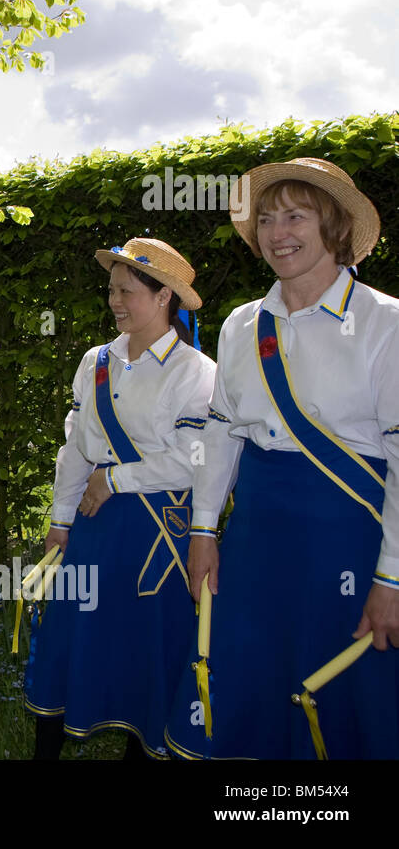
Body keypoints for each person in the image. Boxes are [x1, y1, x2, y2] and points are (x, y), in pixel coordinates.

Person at [165, 157, 399, 759]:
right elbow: (221, 433)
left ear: (335, 225)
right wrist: (202, 529)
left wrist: (392, 578)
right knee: (250, 674)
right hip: (258, 532)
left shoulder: (386, 322)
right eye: (265, 218)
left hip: (349, 534)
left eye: (296, 215)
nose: (277, 232)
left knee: (348, 692)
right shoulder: (243, 323)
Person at [23, 238, 215, 759]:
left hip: (155, 536)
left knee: (143, 648)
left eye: (127, 291)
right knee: (69, 634)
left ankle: (141, 746)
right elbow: (76, 447)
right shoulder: (95, 361)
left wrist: (115, 480)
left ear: (164, 298)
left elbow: (194, 460)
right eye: (111, 290)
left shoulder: (195, 371)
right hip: (93, 525)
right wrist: (60, 520)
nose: (116, 301)